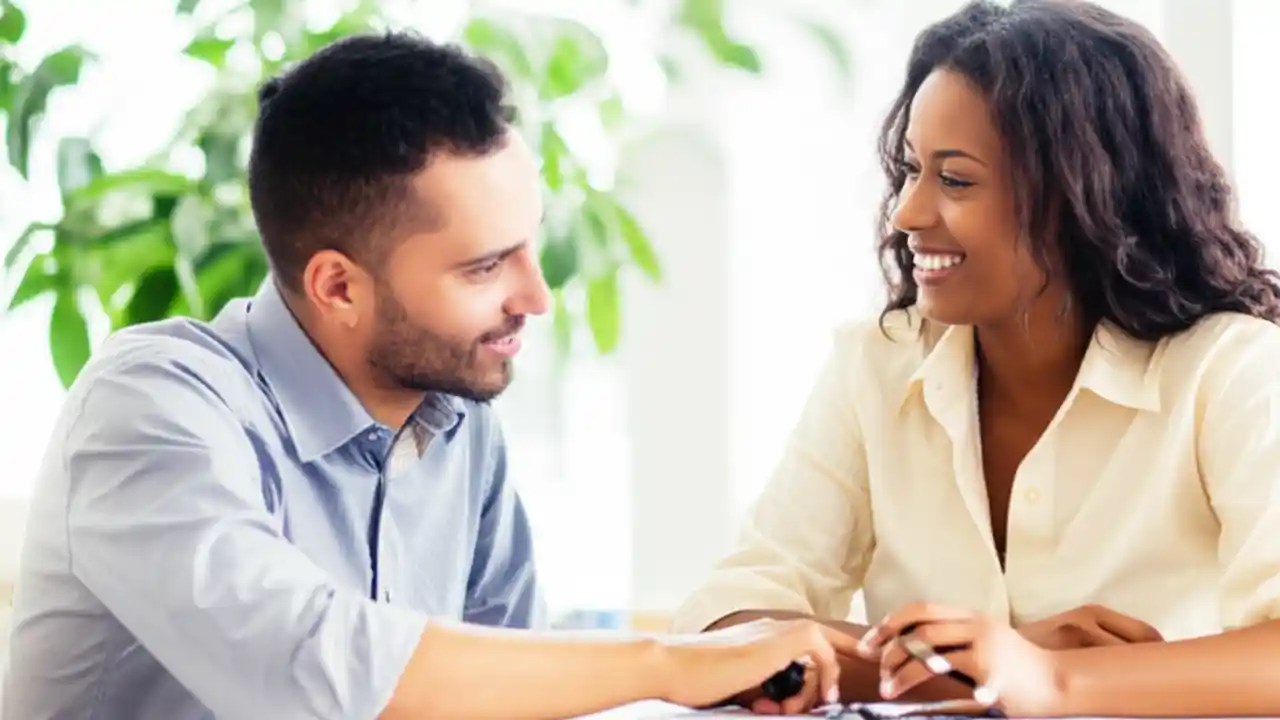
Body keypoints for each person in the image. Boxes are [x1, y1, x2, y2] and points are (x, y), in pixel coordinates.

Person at [2, 33, 860, 719]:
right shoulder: (152, 404)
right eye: (486, 267)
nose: (538, 296)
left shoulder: (455, 421)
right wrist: (669, 663)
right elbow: (312, 666)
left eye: (532, 242)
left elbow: (508, 684)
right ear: (338, 285)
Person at [673, 0, 1280, 716]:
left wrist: (1047, 680)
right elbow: (724, 629)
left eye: (955, 180)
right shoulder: (877, 367)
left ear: (1080, 195)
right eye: (909, 171)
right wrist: (989, 660)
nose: (906, 212)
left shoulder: (1232, 373)